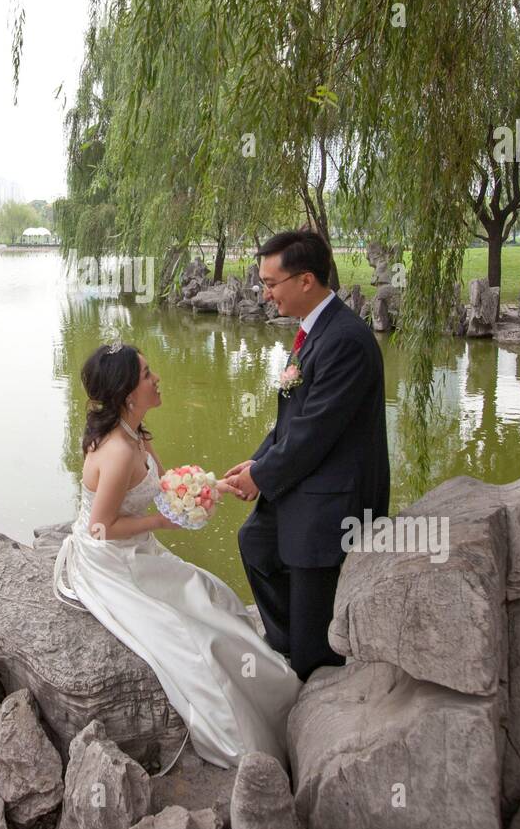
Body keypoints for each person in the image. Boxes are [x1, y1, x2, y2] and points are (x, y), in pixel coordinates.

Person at [53, 341, 301, 774]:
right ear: (129, 392)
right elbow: (102, 527)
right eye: (148, 374)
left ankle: (281, 704)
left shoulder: (136, 434)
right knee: (190, 639)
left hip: (134, 551)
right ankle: (246, 742)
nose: (157, 378)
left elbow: (165, 485)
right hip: (108, 563)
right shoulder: (116, 452)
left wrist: (212, 487)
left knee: (210, 594)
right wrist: (162, 524)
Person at [225, 229, 390, 683]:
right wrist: (256, 462)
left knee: (310, 600)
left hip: (334, 494)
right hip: (304, 476)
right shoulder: (311, 332)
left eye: (271, 283)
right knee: (255, 541)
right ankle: (289, 646)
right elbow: (291, 419)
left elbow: (316, 430)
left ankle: (316, 672)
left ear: (305, 280)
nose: (265, 292)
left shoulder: (344, 341)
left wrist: (262, 476)